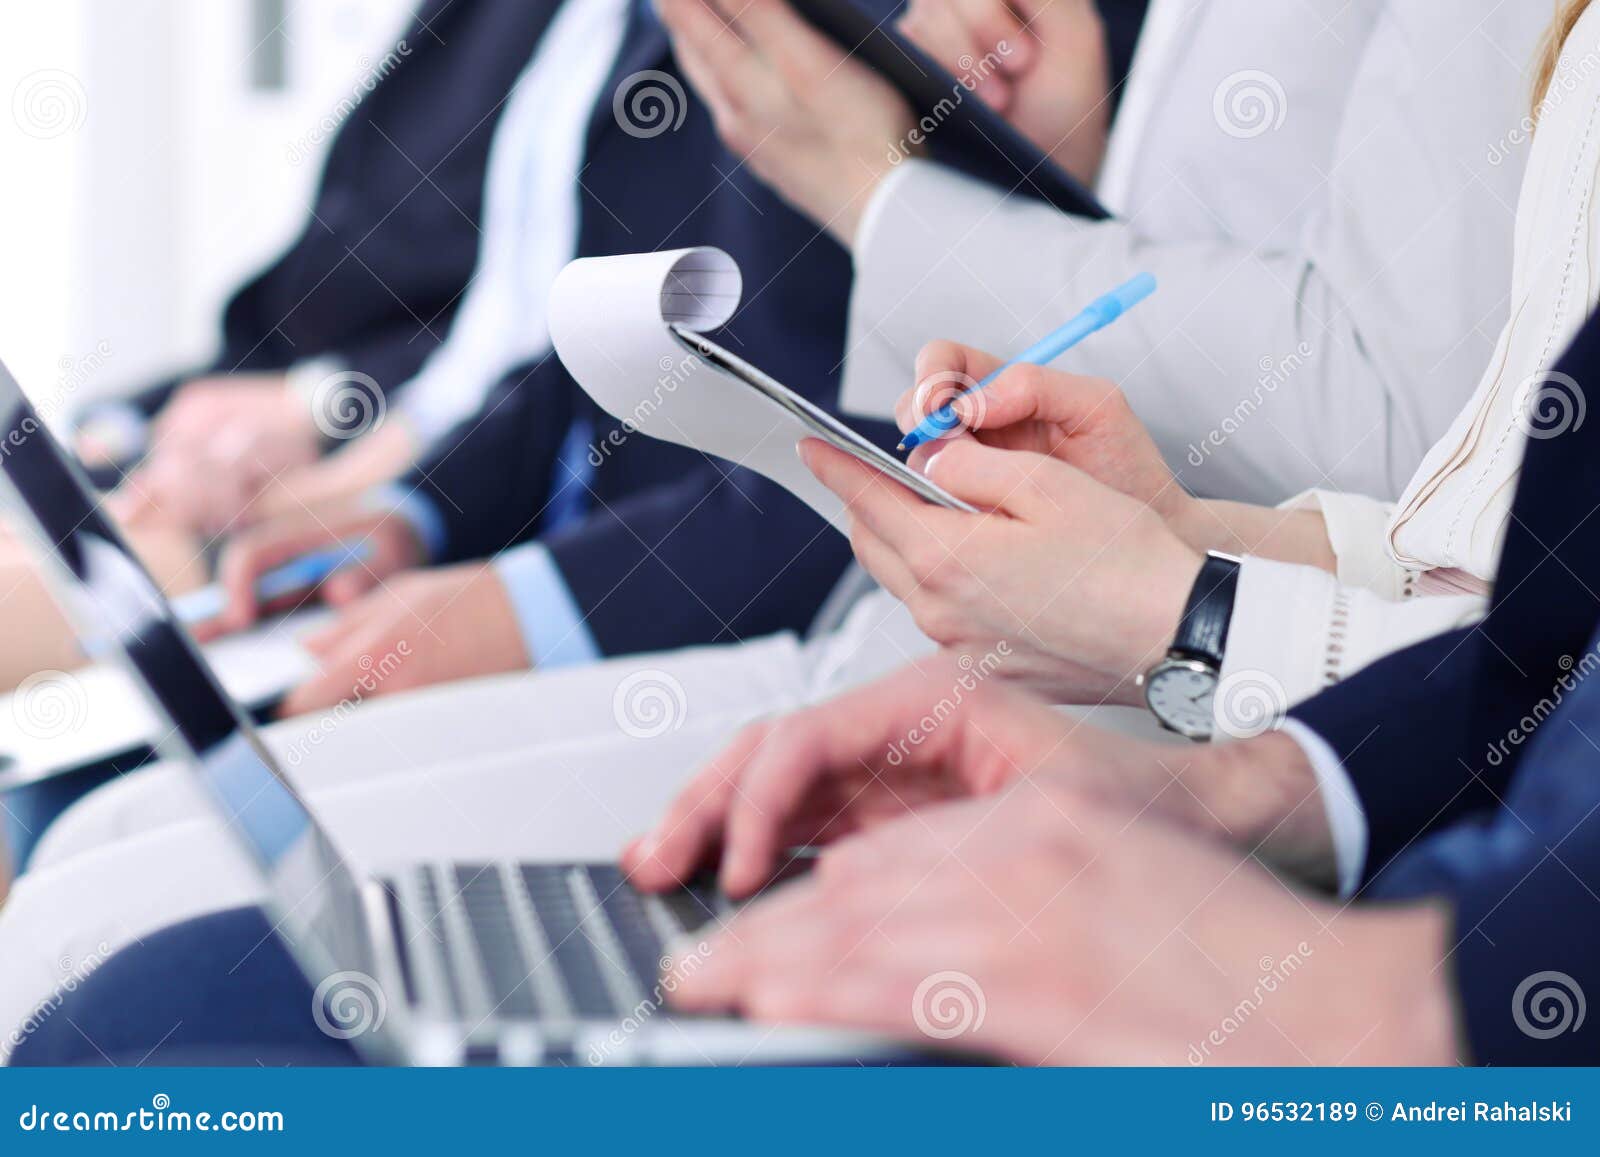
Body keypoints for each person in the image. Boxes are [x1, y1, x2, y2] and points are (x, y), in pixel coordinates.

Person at [13, 285, 1600, 1062]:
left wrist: (1394, 998)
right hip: (1369, 798)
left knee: (147, 1016)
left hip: (1466, 1015)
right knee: (144, 982)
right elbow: (1544, 614)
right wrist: (1258, 775)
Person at [786, 0, 1600, 728]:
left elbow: (1404, 432)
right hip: (1098, 687)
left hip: (1230, 743)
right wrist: (1184, 531)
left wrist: (877, 201)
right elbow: (1456, 539)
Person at [658, 0, 1539, 503]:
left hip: (1206, 711)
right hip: (1015, 638)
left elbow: (1409, 437)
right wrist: (1065, 170)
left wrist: (878, 196)